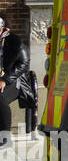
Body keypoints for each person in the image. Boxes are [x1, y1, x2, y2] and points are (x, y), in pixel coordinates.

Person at [1, 14, 35, 145]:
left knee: (0, 98)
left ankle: (3, 137)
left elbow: (23, 63)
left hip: (13, 80)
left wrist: (5, 79)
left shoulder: (13, 41)